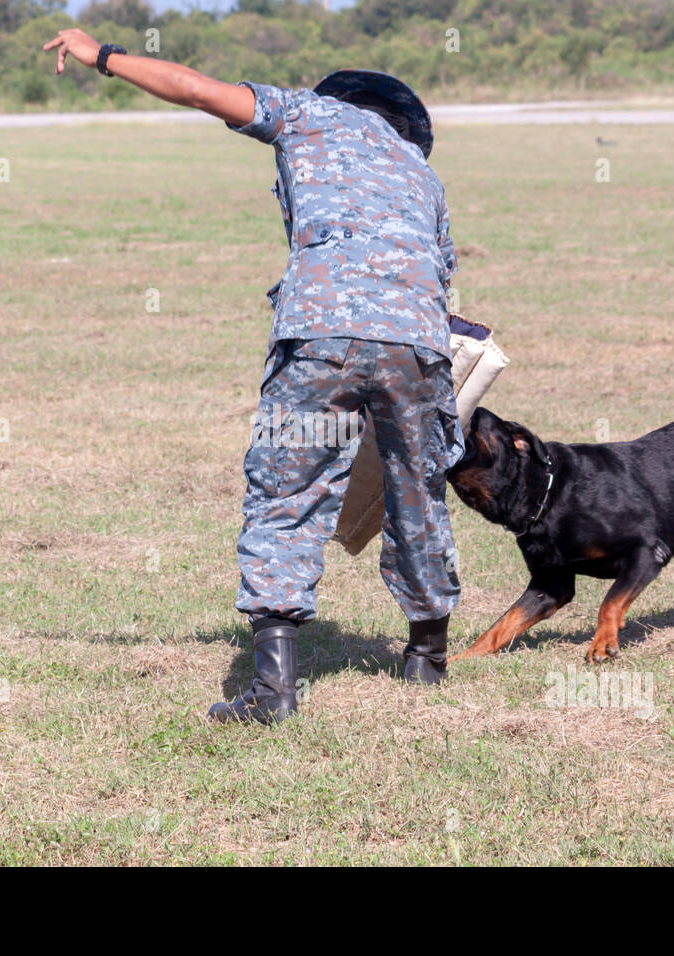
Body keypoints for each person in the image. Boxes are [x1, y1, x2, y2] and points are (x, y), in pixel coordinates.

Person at [44, 29, 464, 725]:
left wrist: (107, 56)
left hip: (318, 335)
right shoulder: (424, 175)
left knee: (286, 491)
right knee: (418, 492)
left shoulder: (307, 112)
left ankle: (274, 691)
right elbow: (445, 282)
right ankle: (426, 657)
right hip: (417, 343)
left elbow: (197, 89)